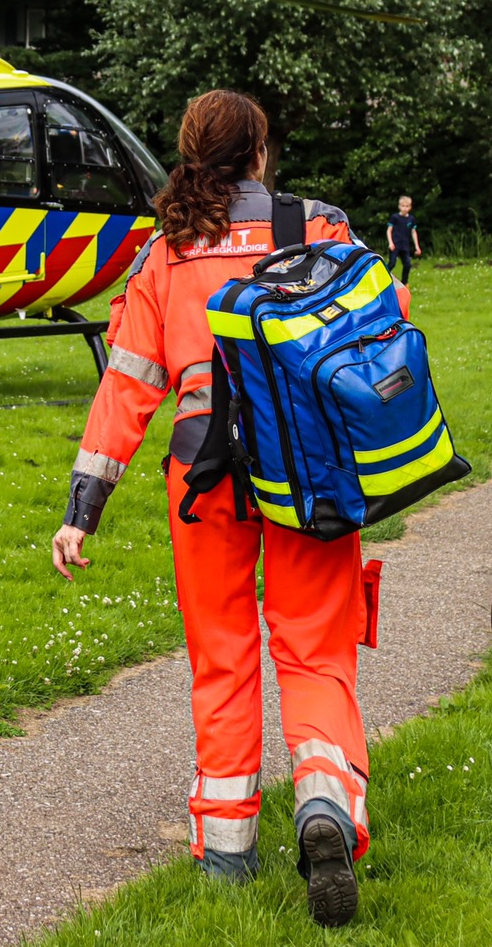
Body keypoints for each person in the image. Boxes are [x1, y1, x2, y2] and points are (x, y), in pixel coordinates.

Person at [51, 89, 374, 928]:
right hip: (309, 475)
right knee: (315, 650)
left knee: (222, 656)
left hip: (202, 478)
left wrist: (83, 506)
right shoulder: (321, 227)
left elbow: (128, 382)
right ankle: (324, 804)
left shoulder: (167, 251)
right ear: (261, 151)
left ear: (191, 153)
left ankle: (227, 851)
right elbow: (387, 325)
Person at [384, 197, 420, 284]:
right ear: (399, 206)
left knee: (407, 265)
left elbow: (413, 232)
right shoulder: (395, 217)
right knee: (392, 263)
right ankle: (383, 278)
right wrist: (390, 243)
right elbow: (389, 230)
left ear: (410, 207)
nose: (405, 208)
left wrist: (417, 247)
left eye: (407, 206)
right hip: (395, 244)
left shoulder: (411, 219)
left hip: (405, 245)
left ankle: (404, 283)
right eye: (403, 206)